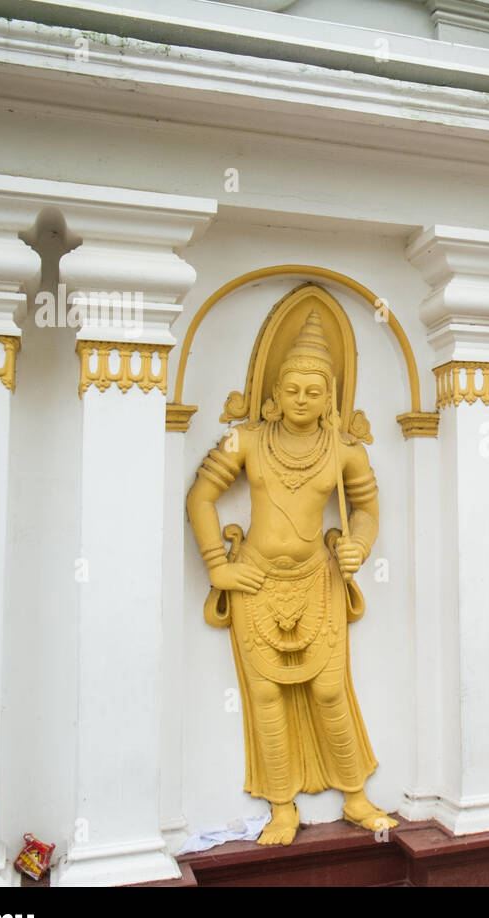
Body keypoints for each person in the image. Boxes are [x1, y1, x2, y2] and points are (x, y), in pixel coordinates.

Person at [186, 311, 393, 845]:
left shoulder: (346, 450)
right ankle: (283, 807)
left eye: (314, 390)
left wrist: (359, 546)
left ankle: (354, 795)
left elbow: (367, 508)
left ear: (330, 398)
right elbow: (201, 497)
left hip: (316, 580)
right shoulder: (246, 441)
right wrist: (218, 566)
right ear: (275, 393)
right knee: (264, 696)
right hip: (254, 578)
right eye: (293, 389)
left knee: (330, 691)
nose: (302, 399)